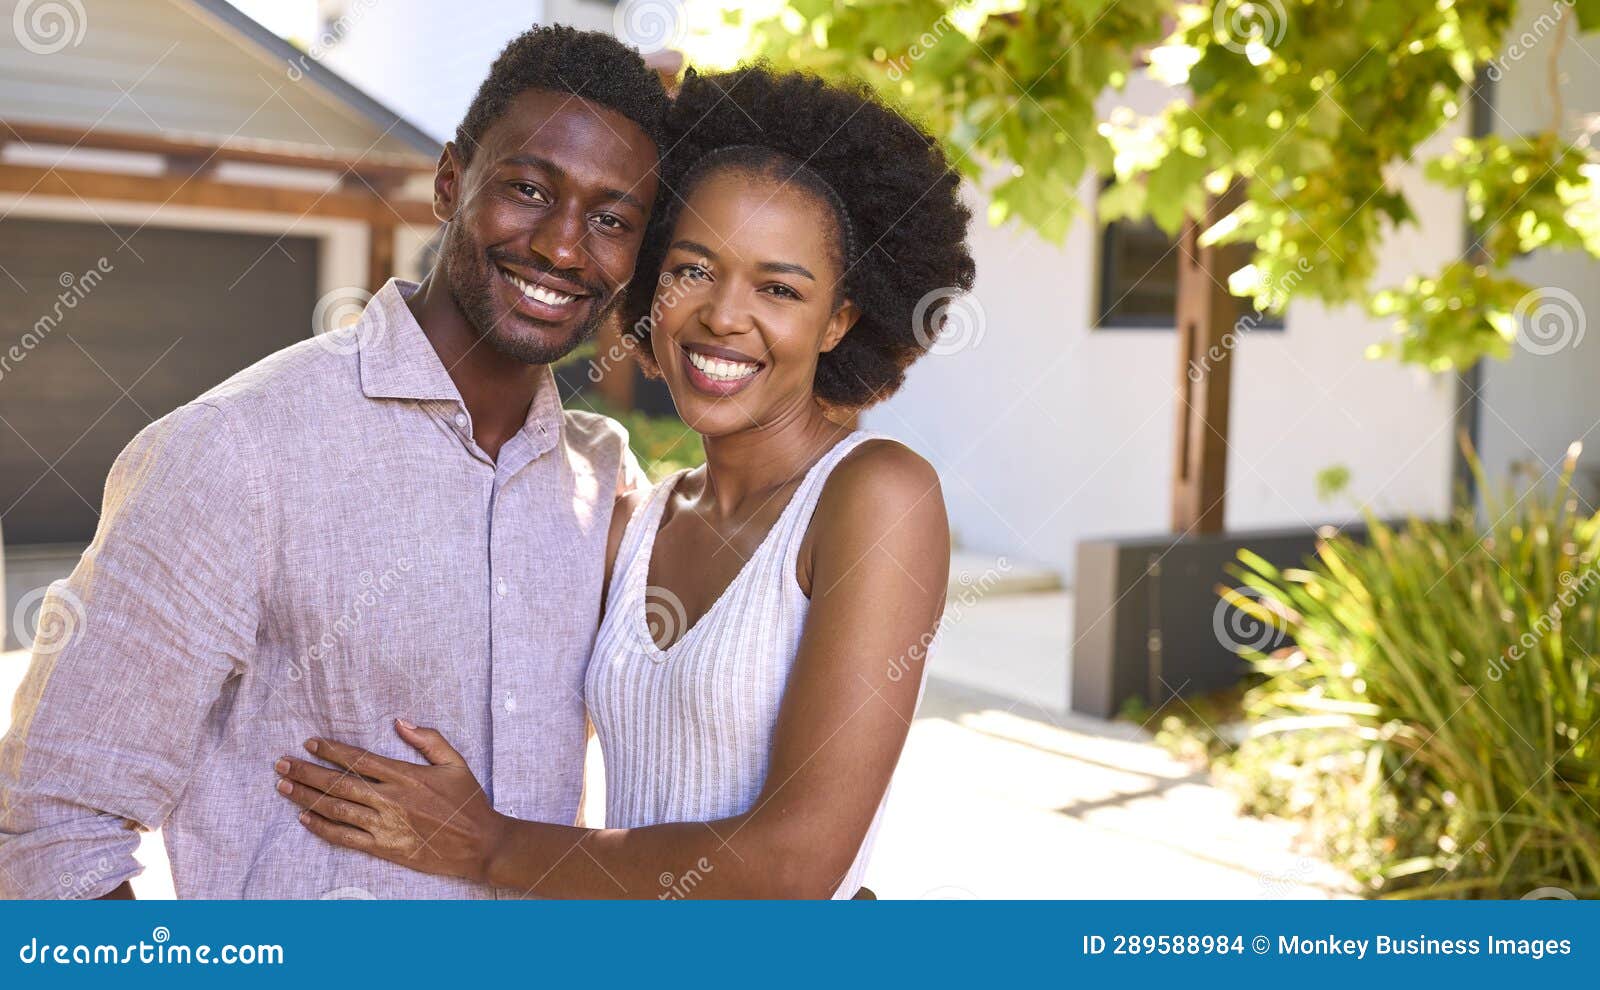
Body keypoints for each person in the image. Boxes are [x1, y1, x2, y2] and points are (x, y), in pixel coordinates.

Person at [271, 66, 977, 898]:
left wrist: (491, 847)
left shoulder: (874, 496)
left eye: (779, 288)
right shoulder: (634, 519)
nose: (722, 315)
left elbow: (797, 862)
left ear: (841, 321)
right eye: (692, 268)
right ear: (650, 284)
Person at [0, 26, 669, 899]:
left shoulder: (606, 486)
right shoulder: (235, 452)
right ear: (448, 183)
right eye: (529, 189)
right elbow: (51, 824)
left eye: (612, 219)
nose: (564, 247)